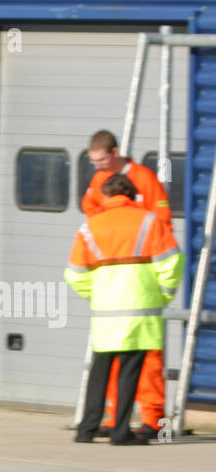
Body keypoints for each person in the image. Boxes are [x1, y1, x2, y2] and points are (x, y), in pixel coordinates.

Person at [65, 173, 183, 445]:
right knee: (130, 372)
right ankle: (121, 431)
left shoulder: (89, 227)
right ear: (133, 195)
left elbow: (74, 273)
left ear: (107, 196)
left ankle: (86, 429)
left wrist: (94, 293)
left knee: (100, 370)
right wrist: (163, 295)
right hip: (141, 309)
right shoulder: (150, 222)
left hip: (106, 311)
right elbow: (172, 262)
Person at [81, 129, 172, 439]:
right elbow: (93, 222)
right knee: (116, 362)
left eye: (102, 160)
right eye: (94, 161)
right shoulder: (98, 182)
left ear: (116, 152)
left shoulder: (146, 179)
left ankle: (152, 418)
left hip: (139, 282)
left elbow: (162, 227)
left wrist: (161, 291)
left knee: (146, 362)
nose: (98, 166)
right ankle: (115, 417)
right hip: (115, 286)